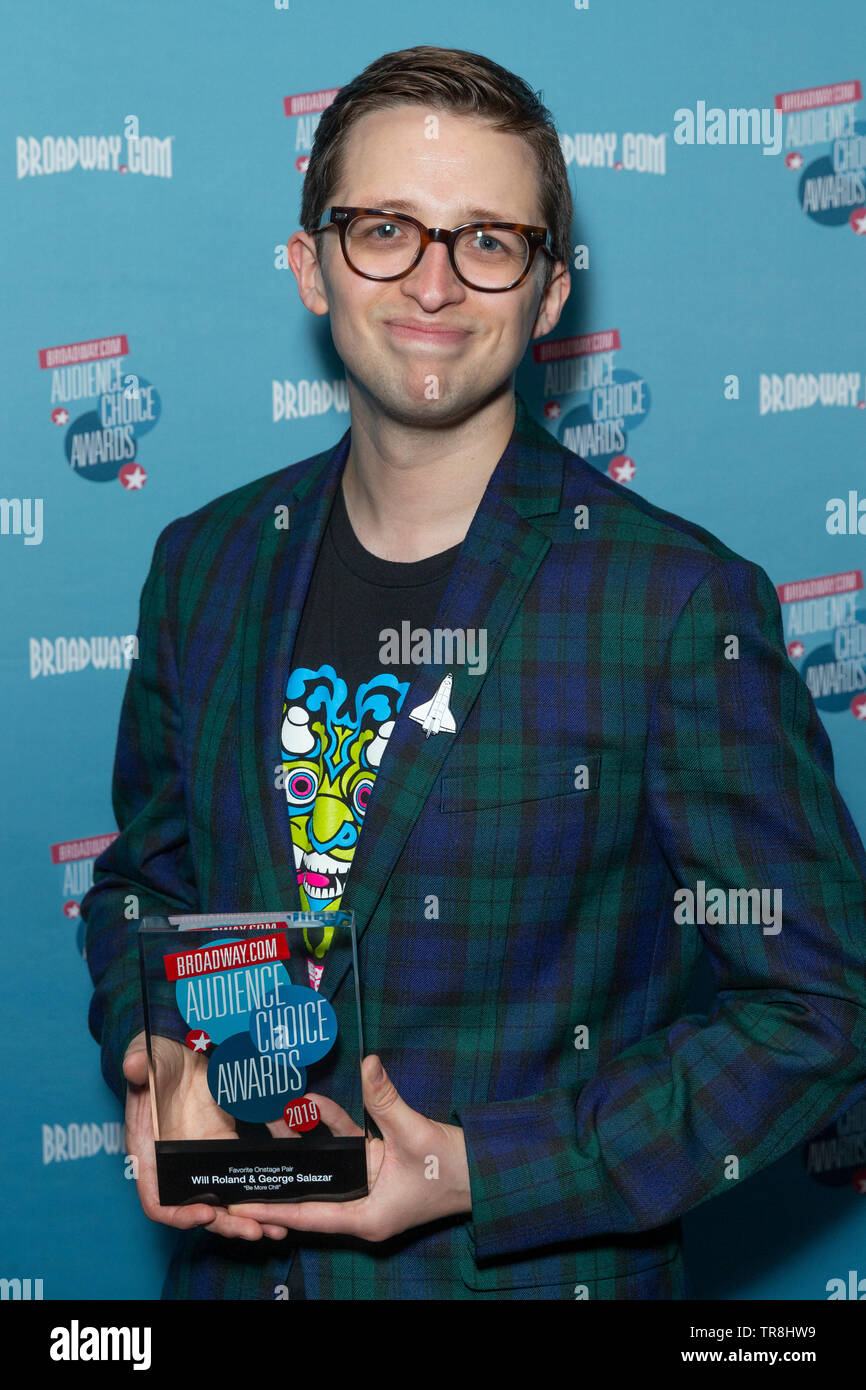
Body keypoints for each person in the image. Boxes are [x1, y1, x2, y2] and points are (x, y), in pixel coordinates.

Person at [82, 45, 866, 1302]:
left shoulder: (670, 605)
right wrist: (155, 1055)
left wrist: (476, 1169)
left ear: (548, 290)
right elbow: (143, 880)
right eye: (385, 228)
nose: (434, 281)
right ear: (311, 264)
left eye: (488, 240)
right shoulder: (205, 565)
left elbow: (821, 1007)